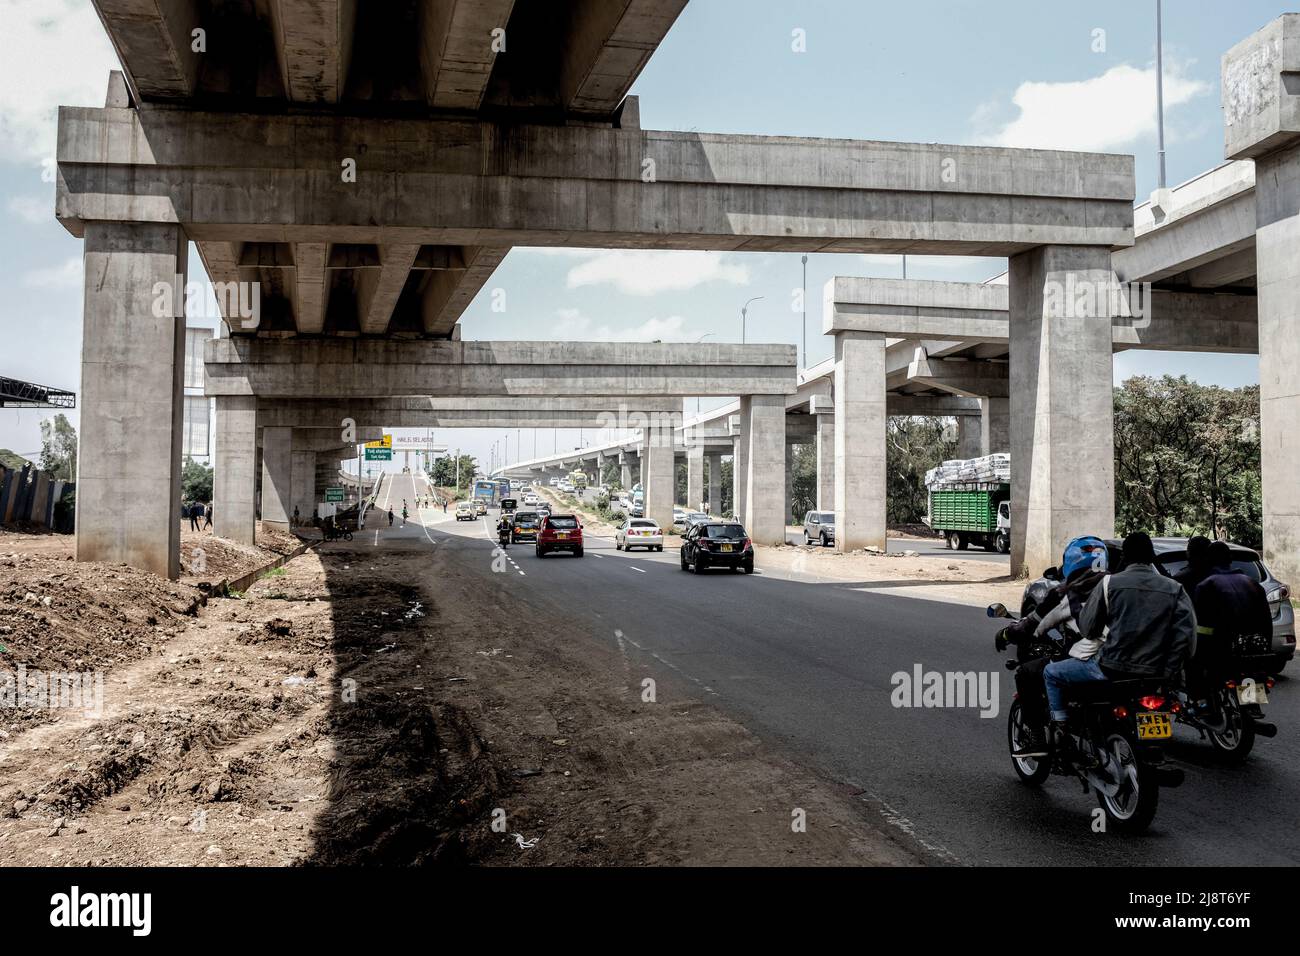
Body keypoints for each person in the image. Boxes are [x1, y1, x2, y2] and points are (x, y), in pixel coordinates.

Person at [1048, 532, 1197, 741]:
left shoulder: (1109, 583)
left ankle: (1060, 730)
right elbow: (1187, 637)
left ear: (1125, 557)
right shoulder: (1175, 588)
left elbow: (1088, 629)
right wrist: (1172, 667)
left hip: (1113, 668)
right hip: (1159, 673)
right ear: (1152, 557)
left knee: (1051, 673)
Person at [1005, 536, 1109, 757]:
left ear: (1071, 563)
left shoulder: (1067, 594)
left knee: (1027, 673)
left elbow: (1037, 626)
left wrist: (1007, 634)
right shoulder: (1115, 585)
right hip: (1124, 659)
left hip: (1092, 659)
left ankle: (1040, 738)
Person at [1187, 541, 1274, 702]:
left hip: (1222, 649)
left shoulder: (1206, 585)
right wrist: (1265, 650)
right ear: (1231, 559)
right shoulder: (1251, 583)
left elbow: (1202, 627)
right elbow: (1266, 620)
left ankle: (1205, 705)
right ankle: (1251, 704)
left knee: (1194, 669)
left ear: (1207, 560)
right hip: (1253, 648)